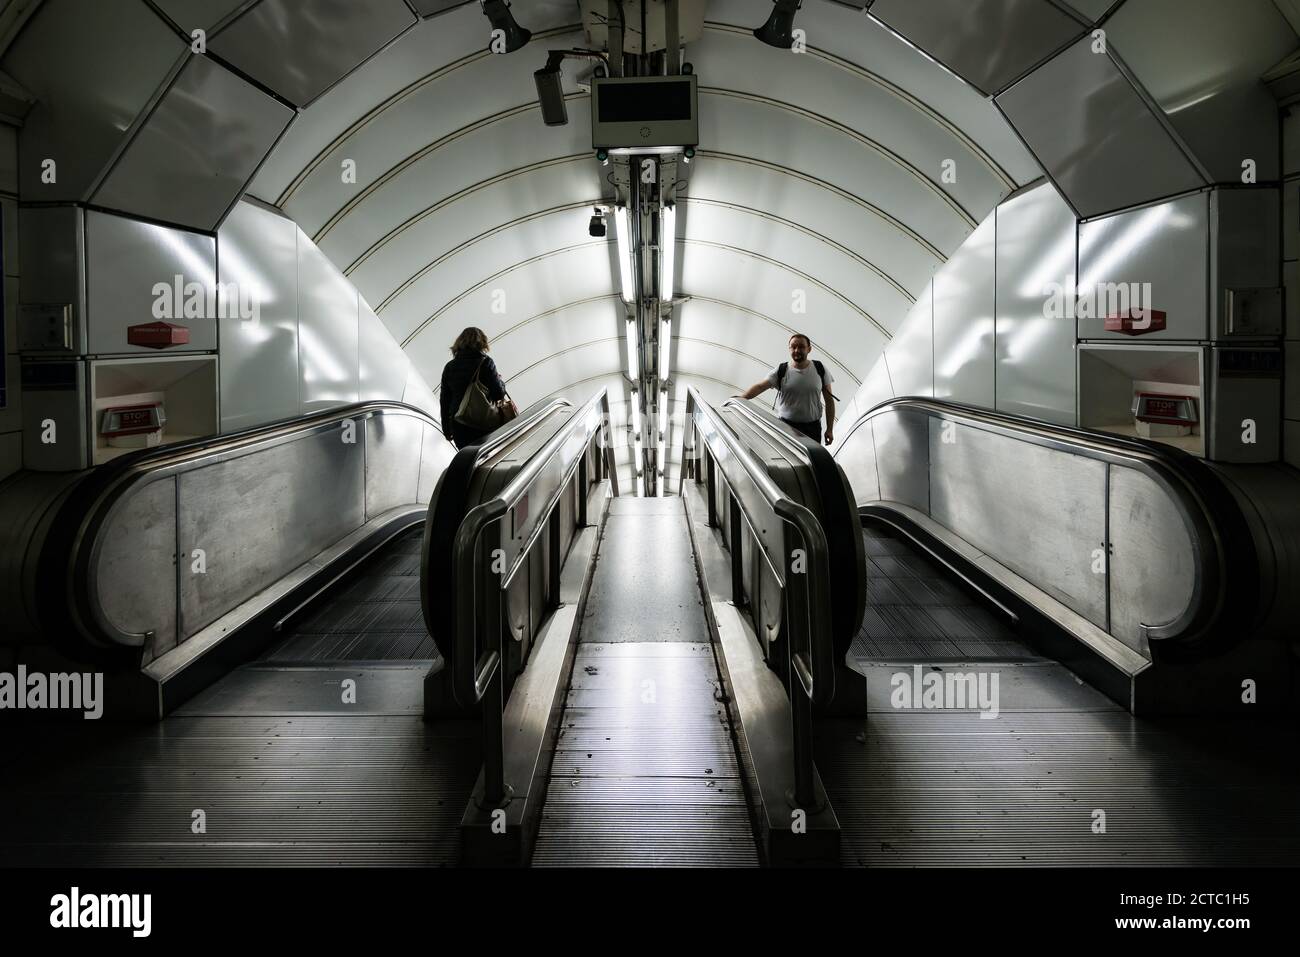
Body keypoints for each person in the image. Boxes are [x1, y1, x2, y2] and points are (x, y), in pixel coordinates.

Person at [735, 333, 835, 445]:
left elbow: (829, 401)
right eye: (793, 347)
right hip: (786, 427)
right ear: (789, 349)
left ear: (809, 349)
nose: (797, 350)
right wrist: (741, 399)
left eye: (801, 347)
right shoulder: (782, 370)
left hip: (812, 429)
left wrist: (830, 429)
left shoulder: (820, 369)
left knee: (812, 460)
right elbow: (760, 387)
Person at [439, 326, 517, 449]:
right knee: (485, 457)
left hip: (459, 424)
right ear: (482, 343)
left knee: (467, 459)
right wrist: (500, 381)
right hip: (483, 421)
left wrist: (446, 429)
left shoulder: (449, 367)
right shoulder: (486, 363)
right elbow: (498, 394)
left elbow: (445, 400)